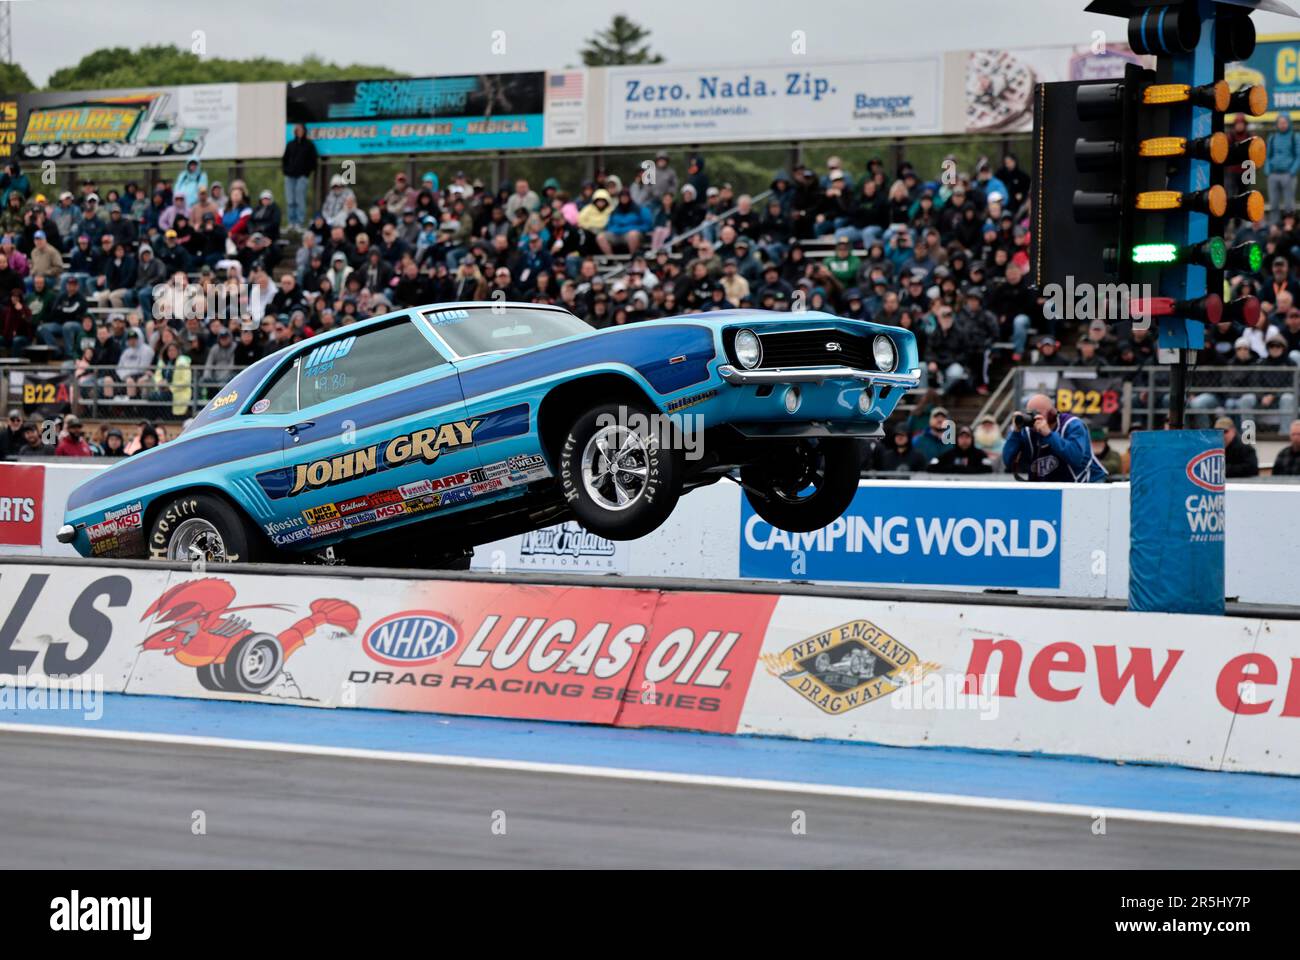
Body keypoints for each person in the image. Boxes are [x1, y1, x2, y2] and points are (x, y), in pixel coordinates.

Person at [1003, 393, 1108, 482]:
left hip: (1086, 483)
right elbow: (1008, 462)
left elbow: (1075, 458)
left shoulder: (1072, 425)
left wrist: (1049, 434)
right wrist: (1015, 433)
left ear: (1052, 414)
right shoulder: (1027, 431)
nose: (1033, 419)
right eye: (1030, 414)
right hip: (1052, 487)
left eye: (1037, 414)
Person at [281, 123, 318, 231]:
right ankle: (291, 222)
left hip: (302, 177)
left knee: (299, 200)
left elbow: (313, 161)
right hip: (290, 177)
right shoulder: (290, 144)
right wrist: (286, 171)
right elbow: (285, 159)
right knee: (290, 200)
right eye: (297, 130)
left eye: (301, 129)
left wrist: (306, 173)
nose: (299, 132)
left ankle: (299, 223)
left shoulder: (309, 145)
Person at [1266, 113, 1300, 222]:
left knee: (1289, 205)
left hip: (1288, 175)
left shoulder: (1294, 137)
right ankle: (1274, 229)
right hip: (1273, 175)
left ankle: (1289, 228)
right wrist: (1268, 170)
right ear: (1277, 124)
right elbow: (1267, 155)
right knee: (1273, 204)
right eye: (1280, 123)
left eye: (1284, 122)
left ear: (1289, 123)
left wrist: (1292, 171)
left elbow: (1298, 155)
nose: (1282, 125)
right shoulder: (1272, 138)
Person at [928, 426, 993, 474]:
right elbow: (932, 467)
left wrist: (965, 469)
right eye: (961, 437)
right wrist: (953, 469)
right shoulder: (948, 455)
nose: (964, 440)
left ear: (972, 439)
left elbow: (988, 469)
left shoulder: (980, 455)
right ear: (957, 439)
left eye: (967, 437)